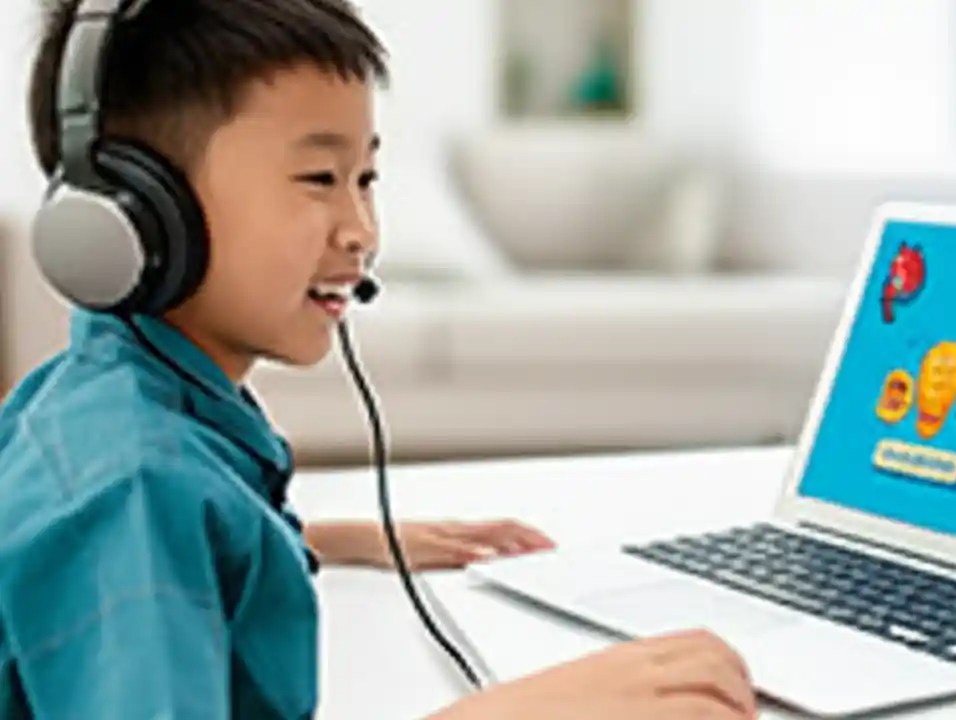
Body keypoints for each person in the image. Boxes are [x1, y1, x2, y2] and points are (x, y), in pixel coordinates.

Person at [0, 1, 756, 718]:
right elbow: (136, 542)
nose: (361, 229)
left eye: (366, 179)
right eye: (319, 180)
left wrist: (321, 541)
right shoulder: (131, 492)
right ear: (137, 210)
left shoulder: (113, 407)